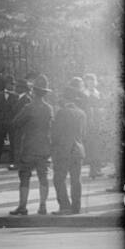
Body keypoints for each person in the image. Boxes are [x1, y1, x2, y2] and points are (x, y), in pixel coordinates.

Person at [9, 75, 54, 216]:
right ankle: (42, 206)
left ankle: (22, 206)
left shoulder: (28, 107)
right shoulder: (49, 108)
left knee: (24, 176)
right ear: (45, 93)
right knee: (43, 177)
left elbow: (15, 123)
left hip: (29, 147)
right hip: (44, 147)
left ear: (34, 92)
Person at [51, 86, 88, 215]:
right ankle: (76, 207)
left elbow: (55, 134)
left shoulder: (62, 112)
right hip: (78, 150)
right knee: (76, 180)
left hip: (64, 150)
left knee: (59, 179)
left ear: (64, 98)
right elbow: (83, 134)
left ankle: (65, 206)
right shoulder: (82, 112)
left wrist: (53, 149)